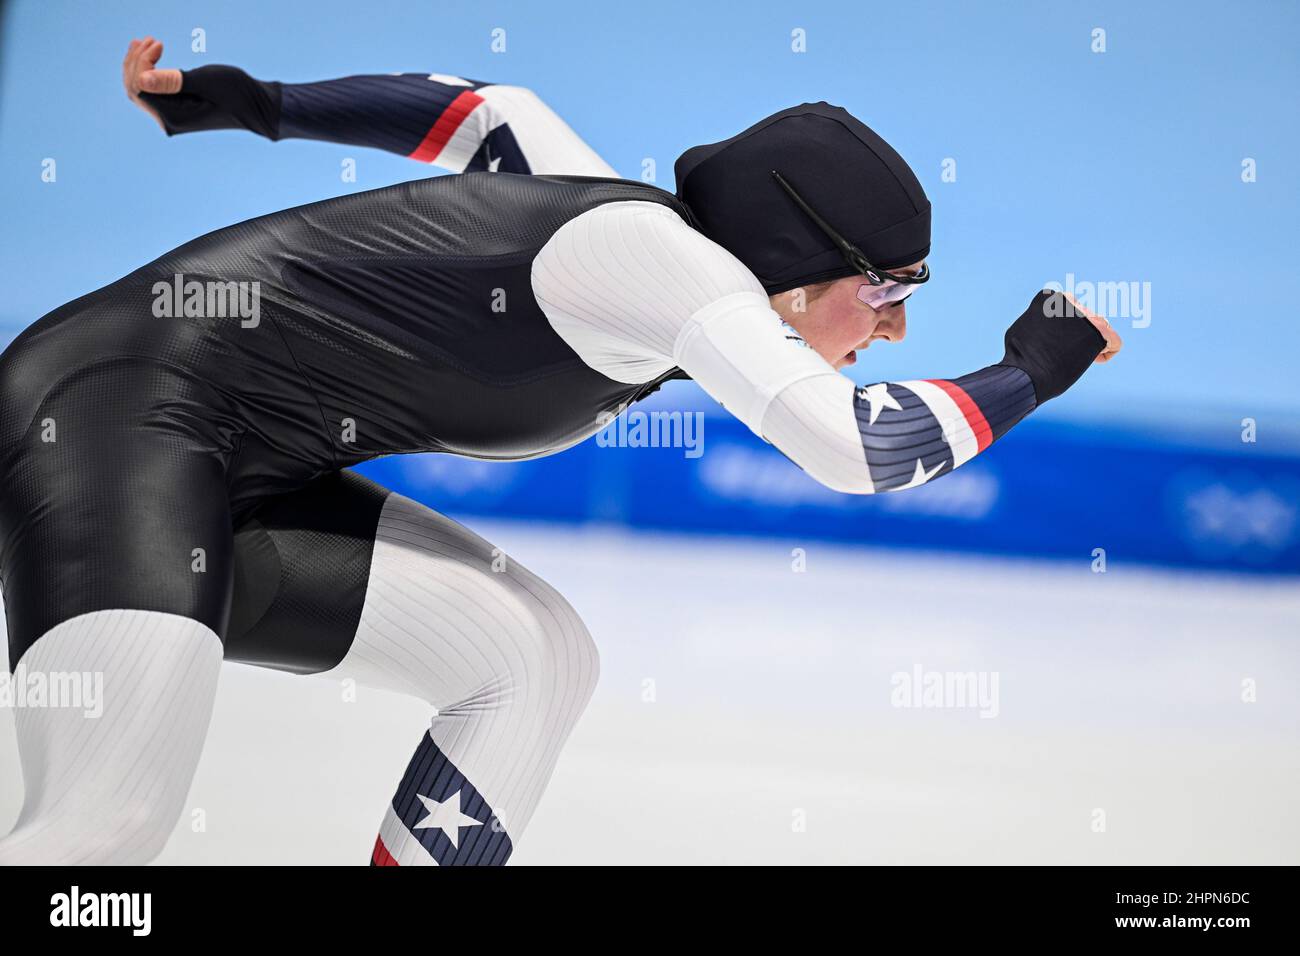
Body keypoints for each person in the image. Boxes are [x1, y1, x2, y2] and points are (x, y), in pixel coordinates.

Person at [0, 38, 1121, 867]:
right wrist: (1035, 364)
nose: (893, 330)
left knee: (531, 658)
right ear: (794, 265)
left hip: (237, 471)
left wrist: (252, 102)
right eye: (885, 289)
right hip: (113, 413)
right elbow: (854, 451)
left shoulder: (624, 240)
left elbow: (485, 110)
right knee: (103, 834)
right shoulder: (670, 266)